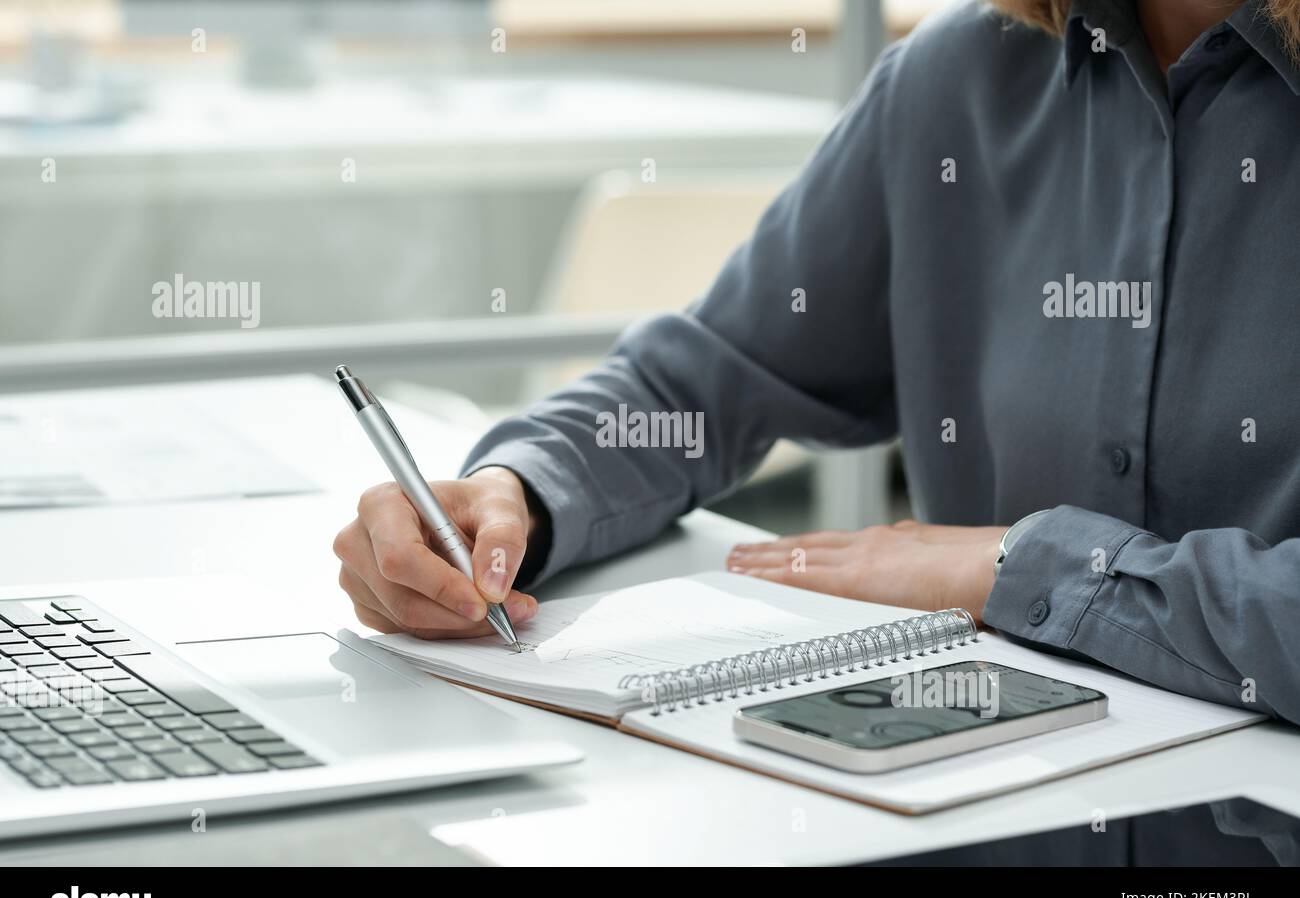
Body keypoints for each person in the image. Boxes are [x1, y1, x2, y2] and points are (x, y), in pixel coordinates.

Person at [333, 0, 1300, 724]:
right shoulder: (958, 77)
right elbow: (702, 381)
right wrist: (513, 499)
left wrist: (1026, 568)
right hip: (977, 786)